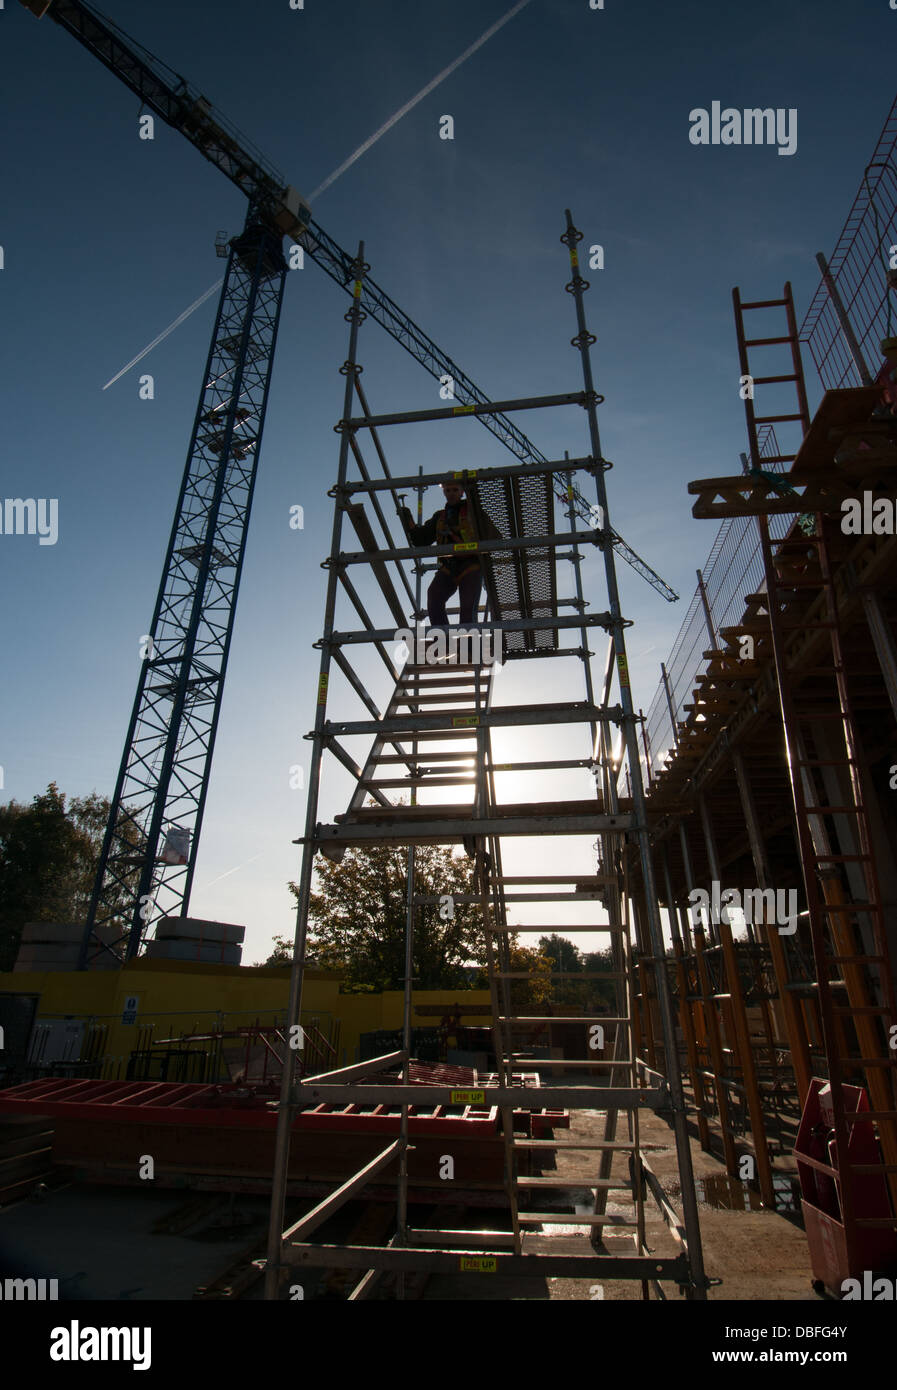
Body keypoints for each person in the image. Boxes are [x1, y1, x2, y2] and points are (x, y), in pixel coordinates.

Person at [399, 482, 501, 627]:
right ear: (444, 492)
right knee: (434, 597)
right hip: (449, 566)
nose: (451, 493)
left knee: (467, 608)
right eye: (448, 490)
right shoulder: (440, 517)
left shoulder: (474, 513)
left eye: (455, 490)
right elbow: (421, 540)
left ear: (462, 492)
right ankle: (442, 642)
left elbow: (494, 538)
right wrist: (408, 520)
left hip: (471, 565)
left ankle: (468, 646)